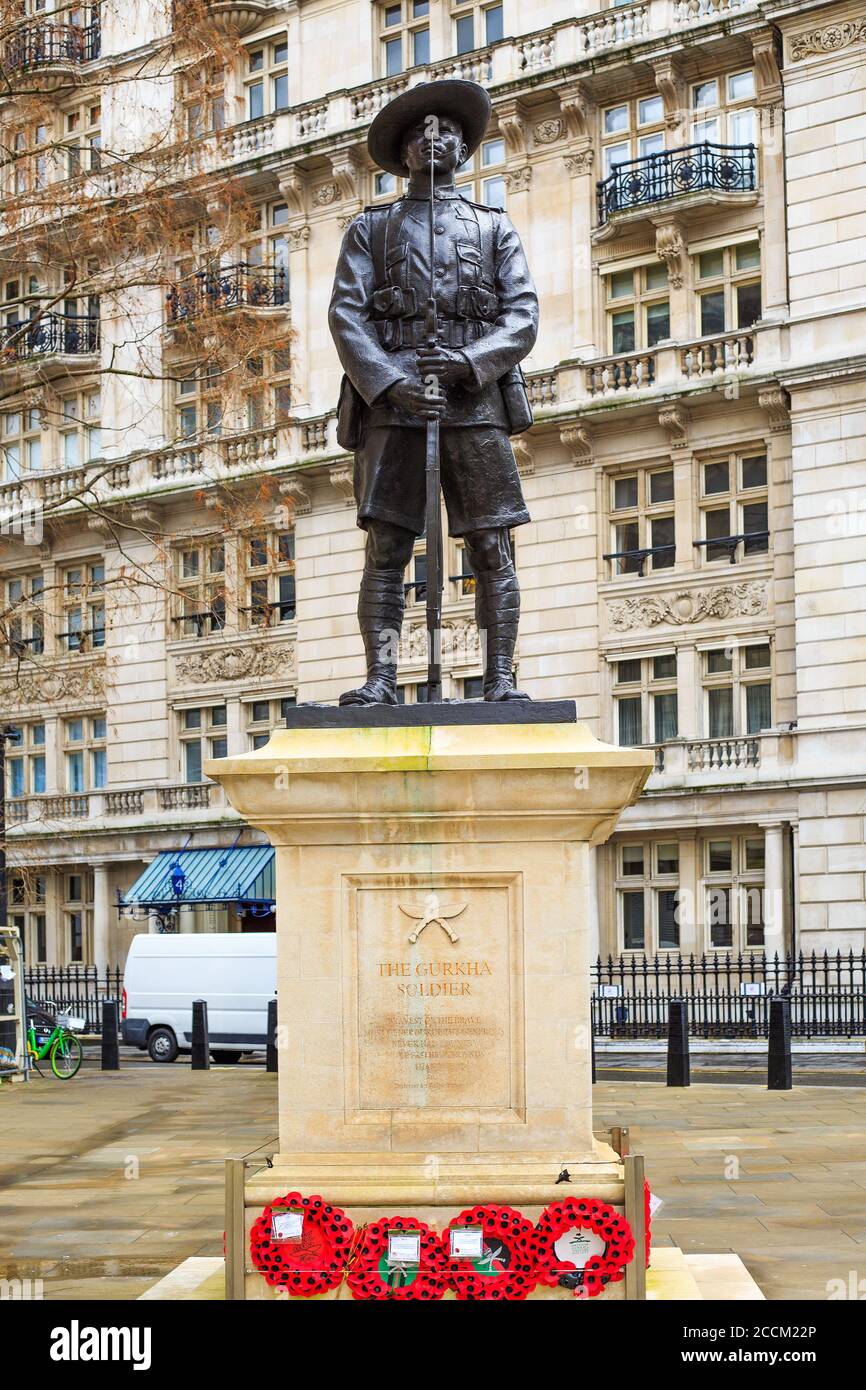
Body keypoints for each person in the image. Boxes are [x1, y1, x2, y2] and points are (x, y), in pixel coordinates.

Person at [328, 79, 539, 704]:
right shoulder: (370, 230)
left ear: (464, 147)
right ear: (403, 152)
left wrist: (467, 363)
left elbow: (522, 316)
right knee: (387, 548)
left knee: (490, 542)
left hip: (475, 406)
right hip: (393, 410)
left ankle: (501, 680)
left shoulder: (494, 228)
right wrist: (392, 384)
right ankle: (382, 679)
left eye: (446, 130)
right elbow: (346, 315)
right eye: (421, 132)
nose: (434, 137)